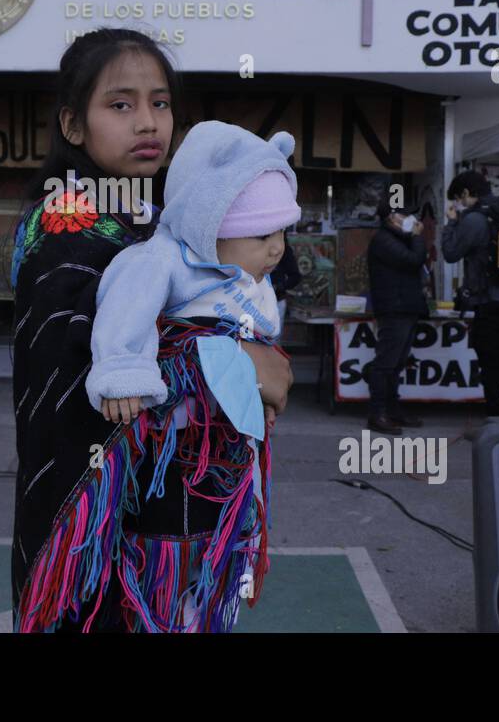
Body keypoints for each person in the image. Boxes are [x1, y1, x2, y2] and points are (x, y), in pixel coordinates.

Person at [10, 28, 294, 633]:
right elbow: (78, 366)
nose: (148, 122)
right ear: (73, 126)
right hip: (99, 530)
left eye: (160, 103)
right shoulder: (66, 223)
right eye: (121, 104)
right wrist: (239, 361)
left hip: (161, 510)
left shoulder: (153, 218)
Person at [80, 121, 297, 630]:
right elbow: (124, 314)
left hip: (224, 450)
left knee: (214, 557)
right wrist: (125, 374)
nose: (277, 249)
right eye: (262, 234)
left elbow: (262, 350)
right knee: (164, 557)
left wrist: (260, 390)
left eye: (283, 232)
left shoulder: (253, 283)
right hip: (167, 451)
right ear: (209, 222)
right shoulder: (162, 260)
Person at [441, 171, 499, 417]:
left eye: (458, 198)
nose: (458, 204)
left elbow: (450, 253)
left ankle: (495, 415)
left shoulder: (475, 219)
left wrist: (452, 222)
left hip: (489, 300)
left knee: (491, 361)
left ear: (466, 193)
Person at [366, 201, 427, 435]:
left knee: (397, 363)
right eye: (405, 215)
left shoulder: (399, 238)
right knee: (386, 363)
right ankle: (377, 413)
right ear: (392, 218)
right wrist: (417, 237)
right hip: (394, 307)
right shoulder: (384, 240)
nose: (411, 220)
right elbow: (413, 260)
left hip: (405, 306)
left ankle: (393, 410)